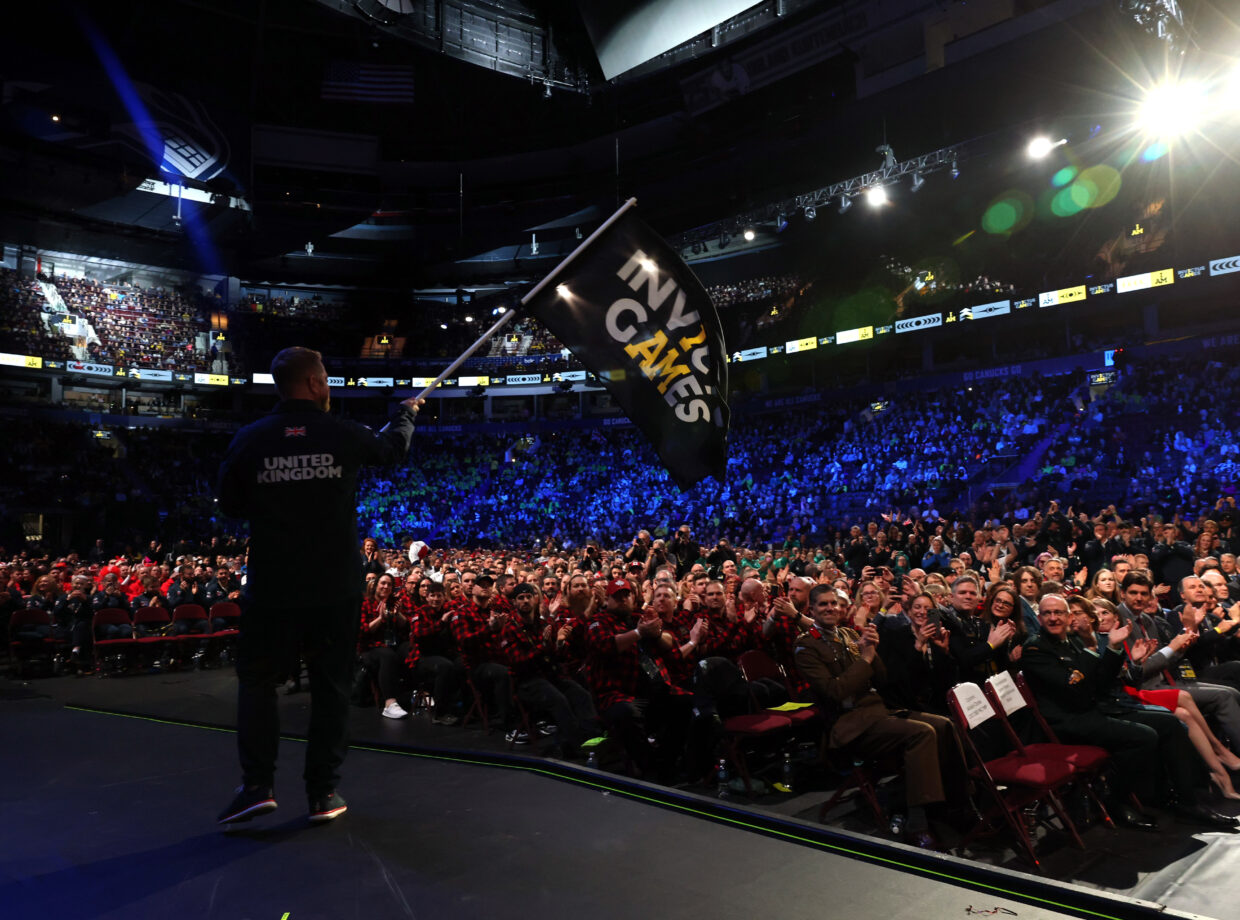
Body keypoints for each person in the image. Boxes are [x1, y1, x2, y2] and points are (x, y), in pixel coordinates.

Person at [215, 346, 423, 825]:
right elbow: (391, 452)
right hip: (334, 585)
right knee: (330, 686)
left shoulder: (251, 438)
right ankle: (322, 793)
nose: (328, 382)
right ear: (312, 383)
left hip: (272, 584)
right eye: (325, 374)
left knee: (258, 682)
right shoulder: (340, 432)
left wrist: (277, 502)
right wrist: (406, 415)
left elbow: (229, 505)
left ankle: (256, 786)